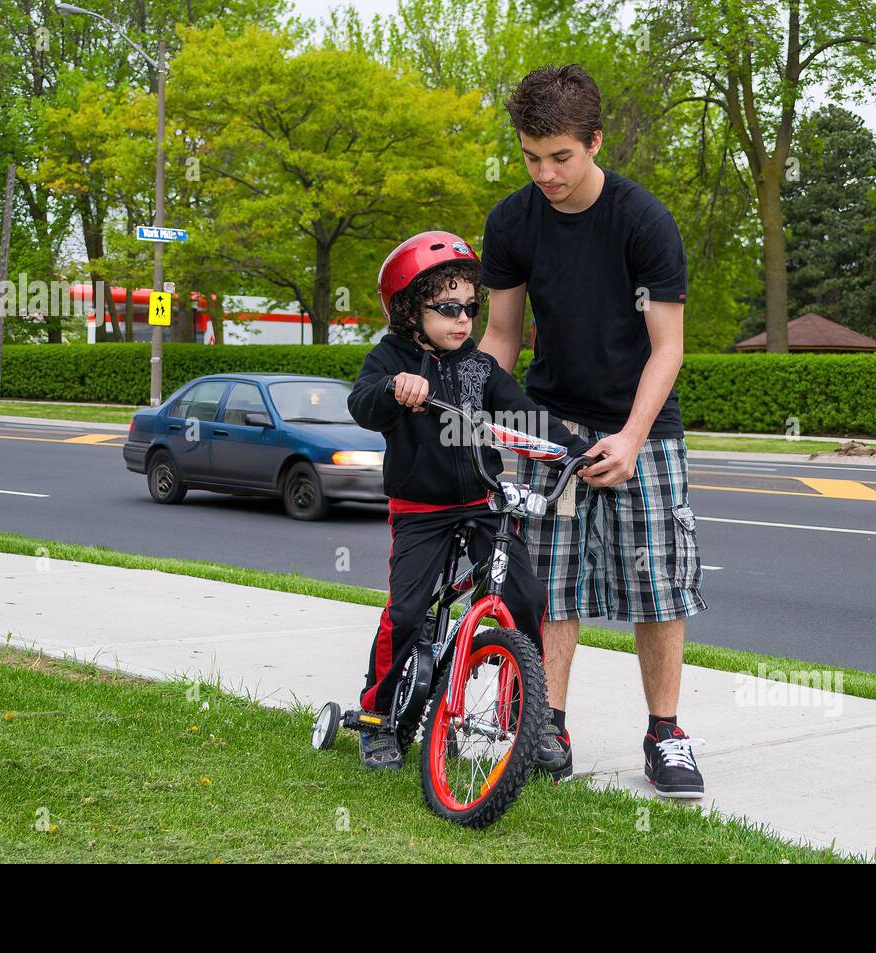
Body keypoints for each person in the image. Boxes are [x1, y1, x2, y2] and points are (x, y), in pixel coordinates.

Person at [478, 64, 708, 798]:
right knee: (552, 587)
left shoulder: (644, 221)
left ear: (595, 141)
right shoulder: (512, 222)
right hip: (551, 424)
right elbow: (503, 335)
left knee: (658, 587)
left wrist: (634, 438)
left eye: (561, 157)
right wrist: (481, 416)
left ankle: (665, 734)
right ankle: (547, 726)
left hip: (645, 428)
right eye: (530, 156)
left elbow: (668, 346)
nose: (545, 173)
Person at [347, 230, 591, 772]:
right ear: (410, 310)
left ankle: (525, 713)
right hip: (421, 510)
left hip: (484, 502)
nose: (464, 319)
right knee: (408, 613)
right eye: (448, 307)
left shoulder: (479, 367)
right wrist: (393, 390)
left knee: (526, 596)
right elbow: (361, 404)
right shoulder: (389, 359)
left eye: (471, 308)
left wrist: (577, 449)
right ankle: (378, 716)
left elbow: (523, 412)